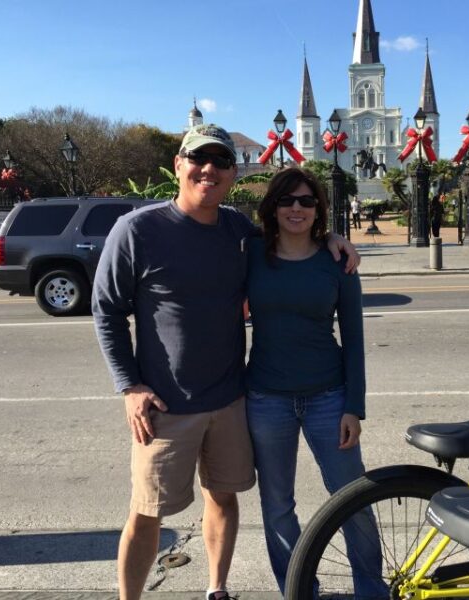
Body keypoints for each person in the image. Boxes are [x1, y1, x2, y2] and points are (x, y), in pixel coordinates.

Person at [92, 124, 359, 600]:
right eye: (199, 159)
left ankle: (217, 588)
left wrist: (333, 237)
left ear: (233, 174)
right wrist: (129, 386)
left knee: (223, 496)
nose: (208, 170)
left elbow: (291, 229)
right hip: (165, 404)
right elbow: (106, 310)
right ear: (179, 164)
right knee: (147, 511)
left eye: (220, 161)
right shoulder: (137, 230)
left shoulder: (238, 231)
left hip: (232, 399)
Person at [245, 167, 387, 597]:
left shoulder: (338, 261)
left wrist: (354, 407)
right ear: (272, 207)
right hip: (267, 399)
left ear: (319, 209)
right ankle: (298, 589)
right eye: (287, 200)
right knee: (277, 505)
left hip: (329, 397)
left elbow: (355, 339)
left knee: (352, 499)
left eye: (307, 201)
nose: (296, 208)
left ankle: (370, 590)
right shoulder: (251, 253)